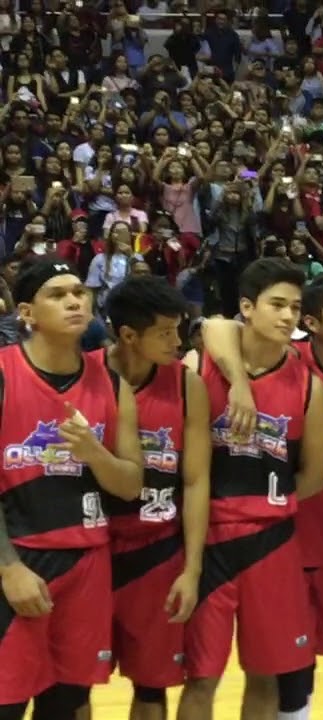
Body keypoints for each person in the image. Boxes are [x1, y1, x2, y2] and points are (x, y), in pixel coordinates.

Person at [199, 277, 323, 720]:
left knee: (300, 659)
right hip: (273, 534)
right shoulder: (292, 361)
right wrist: (237, 379)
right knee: (223, 672)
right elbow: (215, 325)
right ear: (312, 324)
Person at [176, 257, 323, 720]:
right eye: (276, 305)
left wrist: (269, 505)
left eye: (295, 307)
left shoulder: (310, 389)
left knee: (265, 675)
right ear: (248, 307)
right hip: (210, 540)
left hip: (272, 541)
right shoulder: (198, 367)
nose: (287, 316)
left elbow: (311, 477)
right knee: (202, 677)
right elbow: (212, 325)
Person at [0, 258, 144, 720]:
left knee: (66, 706)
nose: (74, 301)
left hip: (86, 564)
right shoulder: (4, 373)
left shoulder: (111, 383)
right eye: (57, 294)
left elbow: (130, 484)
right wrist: (8, 569)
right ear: (26, 312)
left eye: (80, 292)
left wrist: (95, 453)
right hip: (19, 558)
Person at [100, 276, 211, 720]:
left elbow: (196, 481)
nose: (177, 341)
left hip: (157, 551)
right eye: (165, 332)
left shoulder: (187, 385)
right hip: (92, 550)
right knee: (69, 687)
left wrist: (192, 567)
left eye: (179, 329)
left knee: (153, 685)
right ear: (129, 334)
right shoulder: (85, 374)